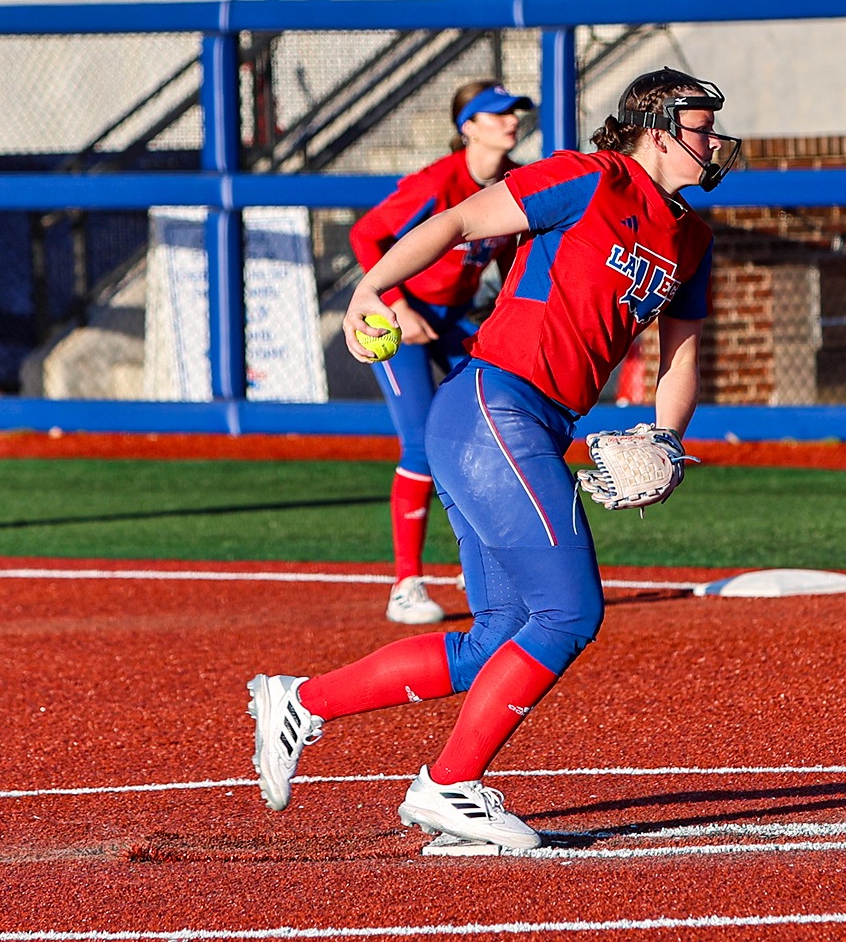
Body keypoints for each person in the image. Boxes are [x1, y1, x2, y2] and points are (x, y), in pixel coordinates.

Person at [247, 66, 740, 850]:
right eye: (699, 125)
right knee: (569, 612)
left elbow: (680, 359)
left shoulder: (692, 237)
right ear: (655, 131)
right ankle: (448, 787)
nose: (713, 140)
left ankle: (301, 701)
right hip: (491, 407)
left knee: (499, 635)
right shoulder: (590, 177)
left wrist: (667, 438)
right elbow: (457, 224)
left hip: (526, 425)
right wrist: (370, 290)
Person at [348, 80, 531, 624]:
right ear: (467, 127)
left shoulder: (514, 181)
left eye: (512, 112)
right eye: (495, 114)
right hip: (398, 320)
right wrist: (395, 303)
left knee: (488, 432)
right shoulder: (439, 180)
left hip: (452, 319)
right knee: (421, 444)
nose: (509, 120)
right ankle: (405, 584)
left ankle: (479, 564)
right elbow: (365, 234)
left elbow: (504, 252)